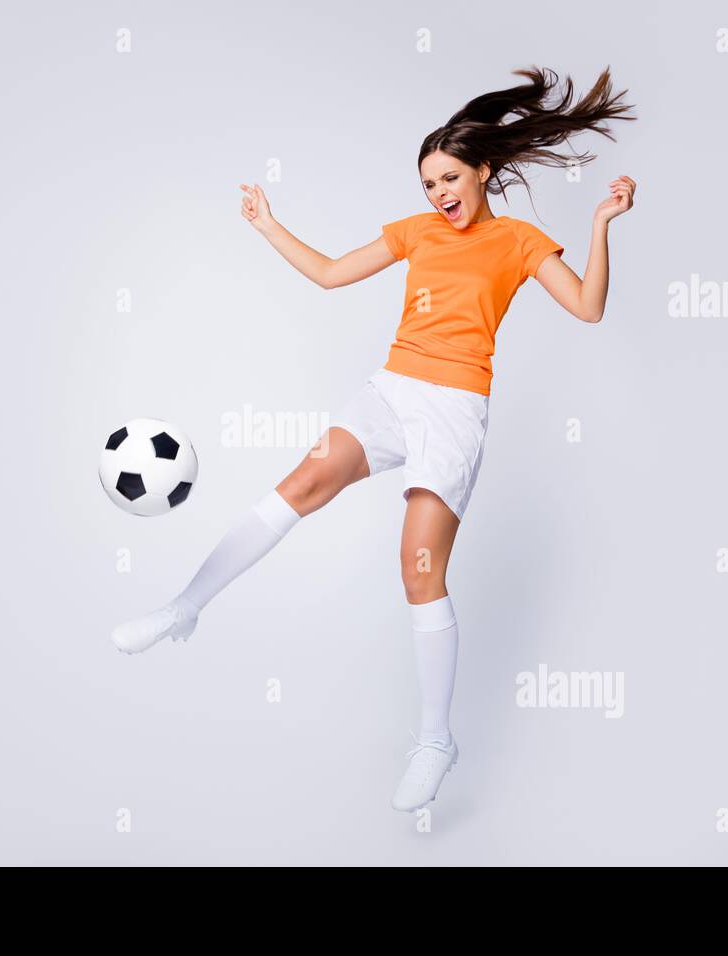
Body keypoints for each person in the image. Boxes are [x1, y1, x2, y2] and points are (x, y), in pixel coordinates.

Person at [112, 66, 637, 812]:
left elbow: (587, 308)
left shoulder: (518, 241)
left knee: (418, 571)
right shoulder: (415, 231)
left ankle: (434, 741)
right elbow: (329, 274)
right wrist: (266, 224)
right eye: (428, 184)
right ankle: (184, 606)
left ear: (483, 171)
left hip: (453, 410)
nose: (439, 194)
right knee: (298, 487)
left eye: (450, 177)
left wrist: (599, 227)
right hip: (392, 391)